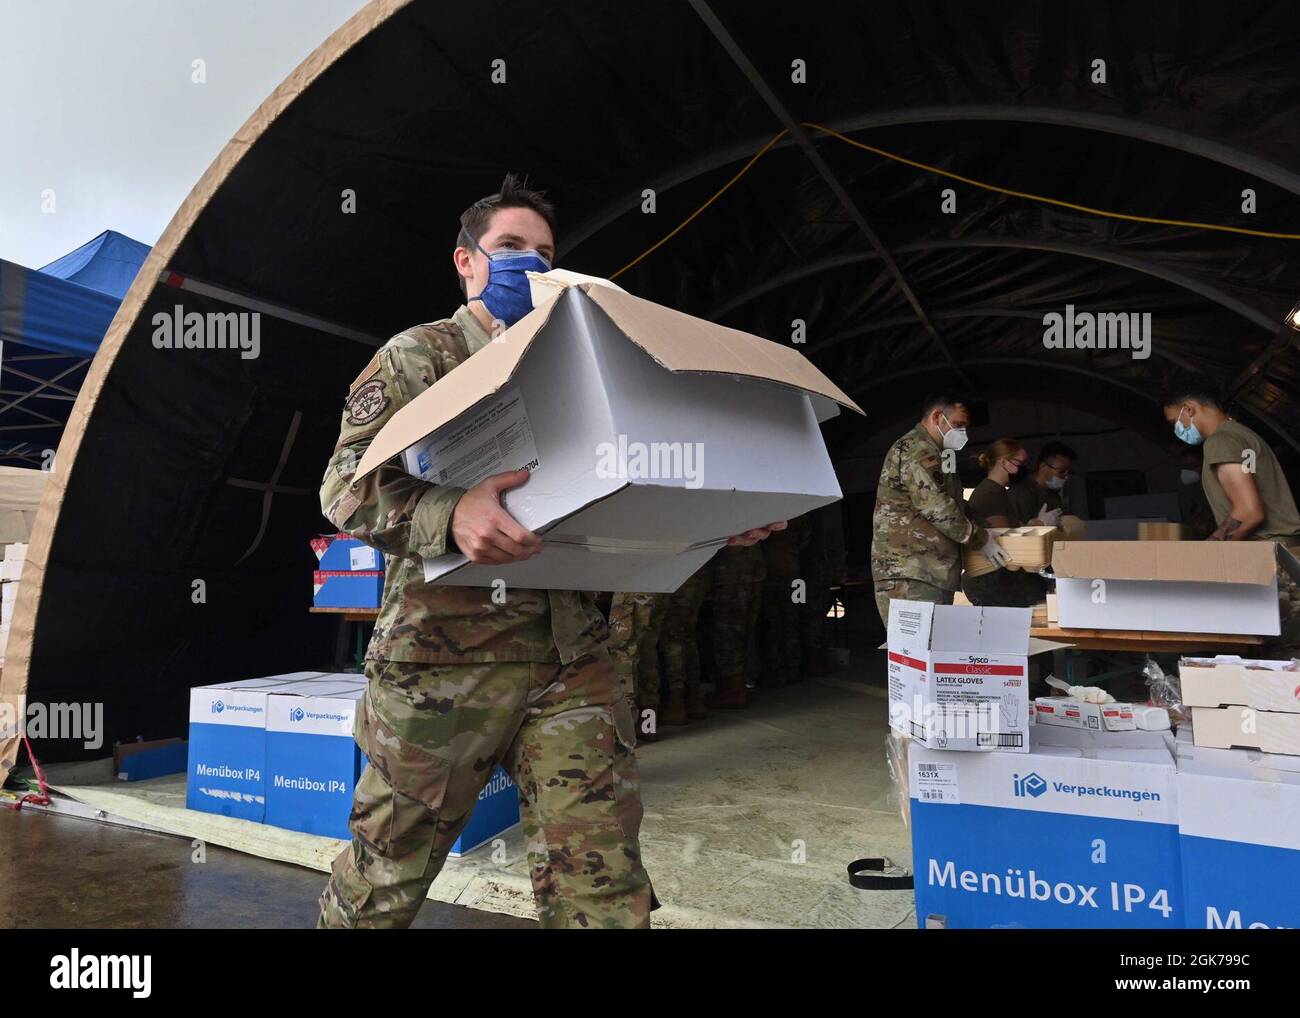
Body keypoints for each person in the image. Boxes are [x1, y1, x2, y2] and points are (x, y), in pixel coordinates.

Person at [315, 174, 783, 929]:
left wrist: (714, 520)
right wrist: (449, 510)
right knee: (387, 873)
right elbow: (342, 485)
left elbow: (622, 484)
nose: (528, 266)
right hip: (443, 664)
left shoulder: (579, 361)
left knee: (599, 877)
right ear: (465, 261)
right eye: (509, 249)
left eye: (544, 253)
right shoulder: (417, 357)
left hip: (570, 658)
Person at [1161, 375, 1300, 653]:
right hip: (1288, 556)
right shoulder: (1243, 435)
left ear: (1189, 409)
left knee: (1280, 658)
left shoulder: (1220, 441)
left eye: (1174, 421)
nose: (1177, 429)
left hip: (1272, 563)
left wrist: (1207, 554)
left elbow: (1249, 512)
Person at [872, 394, 1007, 624]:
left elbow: (953, 504)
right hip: (911, 572)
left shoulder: (939, 454)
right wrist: (980, 538)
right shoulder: (916, 449)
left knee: (931, 650)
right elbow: (938, 508)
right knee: (918, 651)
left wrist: (986, 528)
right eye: (958, 425)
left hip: (930, 571)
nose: (963, 432)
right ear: (937, 417)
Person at [962, 439, 1045, 607]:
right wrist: (1036, 526)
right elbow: (1005, 540)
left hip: (1000, 580)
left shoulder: (999, 492)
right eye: (1020, 463)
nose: (1023, 468)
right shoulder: (990, 494)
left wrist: (1031, 524)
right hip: (991, 582)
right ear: (1004, 462)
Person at [707, 544, 766, 707]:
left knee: (728, 634)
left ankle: (734, 691)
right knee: (744, 630)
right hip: (754, 567)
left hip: (731, 573)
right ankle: (741, 685)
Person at [656, 562, 711, 724]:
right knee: (687, 634)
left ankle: (677, 702)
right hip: (696, 568)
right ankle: (694, 699)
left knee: (673, 636)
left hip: (676, 569)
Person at [1008, 440, 1076, 527]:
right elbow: (1013, 532)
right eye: (1062, 471)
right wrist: (1040, 524)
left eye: (1069, 472)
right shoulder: (1020, 493)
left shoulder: (1053, 496)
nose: (1066, 477)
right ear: (1043, 467)